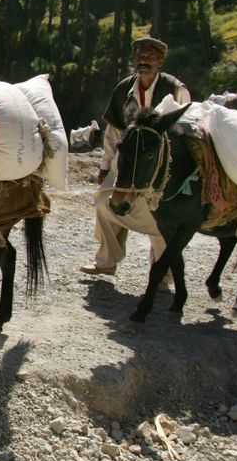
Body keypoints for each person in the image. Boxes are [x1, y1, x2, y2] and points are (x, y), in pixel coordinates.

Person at [80, 36, 191, 279]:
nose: (144, 61)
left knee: (160, 214)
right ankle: (107, 261)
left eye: (150, 57)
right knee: (103, 201)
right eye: (140, 57)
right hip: (128, 162)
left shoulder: (175, 89)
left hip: (162, 164)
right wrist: (105, 165)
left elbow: (186, 127)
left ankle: (163, 274)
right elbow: (113, 132)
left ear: (160, 61)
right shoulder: (124, 89)